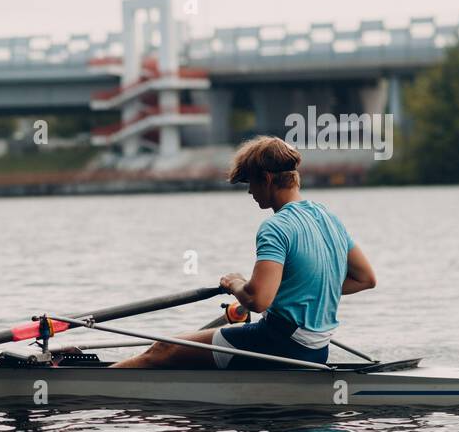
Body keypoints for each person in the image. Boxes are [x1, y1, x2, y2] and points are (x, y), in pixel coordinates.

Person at [111, 136, 377, 370]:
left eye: (250, 182)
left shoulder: (276, 226)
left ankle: (96, 383)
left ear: (267, 179)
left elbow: (257, 300)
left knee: (162, 349)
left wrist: (236, 283)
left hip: (278, 345)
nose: (250, 191)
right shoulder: (328, 217)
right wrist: (302, 292)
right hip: (317, 349)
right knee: (188, 350)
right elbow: (366, 279)